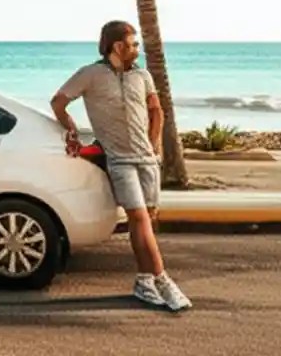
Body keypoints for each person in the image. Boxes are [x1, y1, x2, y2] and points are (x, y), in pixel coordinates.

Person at [50, 20, 192, 312]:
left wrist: (154, 146)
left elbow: (156, 110)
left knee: (149, 220)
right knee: (138, 219)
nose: (137, 49)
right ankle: (163, 280)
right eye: (133, 43)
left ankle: (143, 281)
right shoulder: (90, 75)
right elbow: (58, 102)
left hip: (147, 160)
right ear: (117, 46)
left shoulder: (142, 76)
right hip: (120, 160)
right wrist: (72, 130)